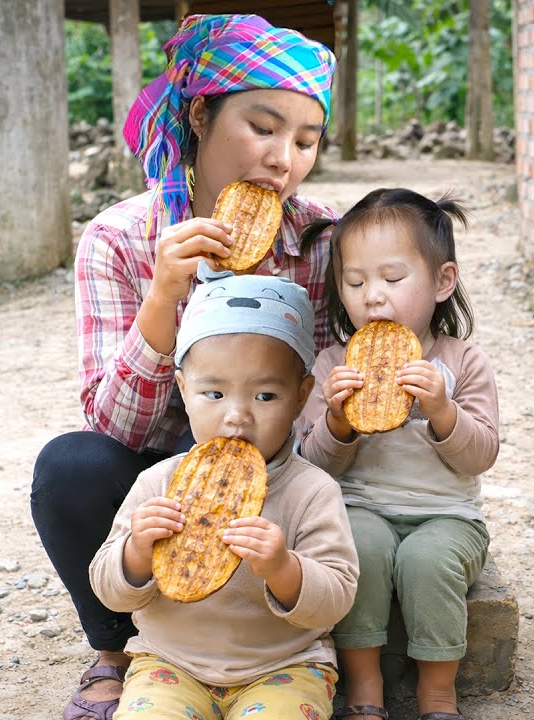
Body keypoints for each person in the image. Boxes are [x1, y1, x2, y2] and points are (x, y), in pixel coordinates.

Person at [30, 14, 339, 719]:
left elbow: (317, 404)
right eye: (262, 127)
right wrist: (166, 295)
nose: (282, 159)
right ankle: (115, 651)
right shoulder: (119, 238)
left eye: (304, 140)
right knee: (69, 467)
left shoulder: (318, 240)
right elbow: (111, 423)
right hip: (157, 458)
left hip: (279, 455)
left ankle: (288, 647)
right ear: (200, 113)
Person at [90, 269, 358, 720]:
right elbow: (108, 588)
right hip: (168, 665)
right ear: (183, 391)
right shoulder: (159, 483)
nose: (237, 417)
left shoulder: (312, 490)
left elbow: (337, 596)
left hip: (283, 667)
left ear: (301, 396)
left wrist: (283, 568)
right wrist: (137, 552)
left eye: (266, 395)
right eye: (213, 393)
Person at [297, 189, 500, 720]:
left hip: (448, 515)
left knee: (426, 561)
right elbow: (313, 468)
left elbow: (480, 455)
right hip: (361, 507)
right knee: (357, 548)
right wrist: (338, 422)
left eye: (392, 279)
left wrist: (442, 410)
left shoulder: (464, 362)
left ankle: (437, 692)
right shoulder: (332, 365)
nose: (372, 297)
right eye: (355, 281)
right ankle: (366, 687)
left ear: (442, 281)